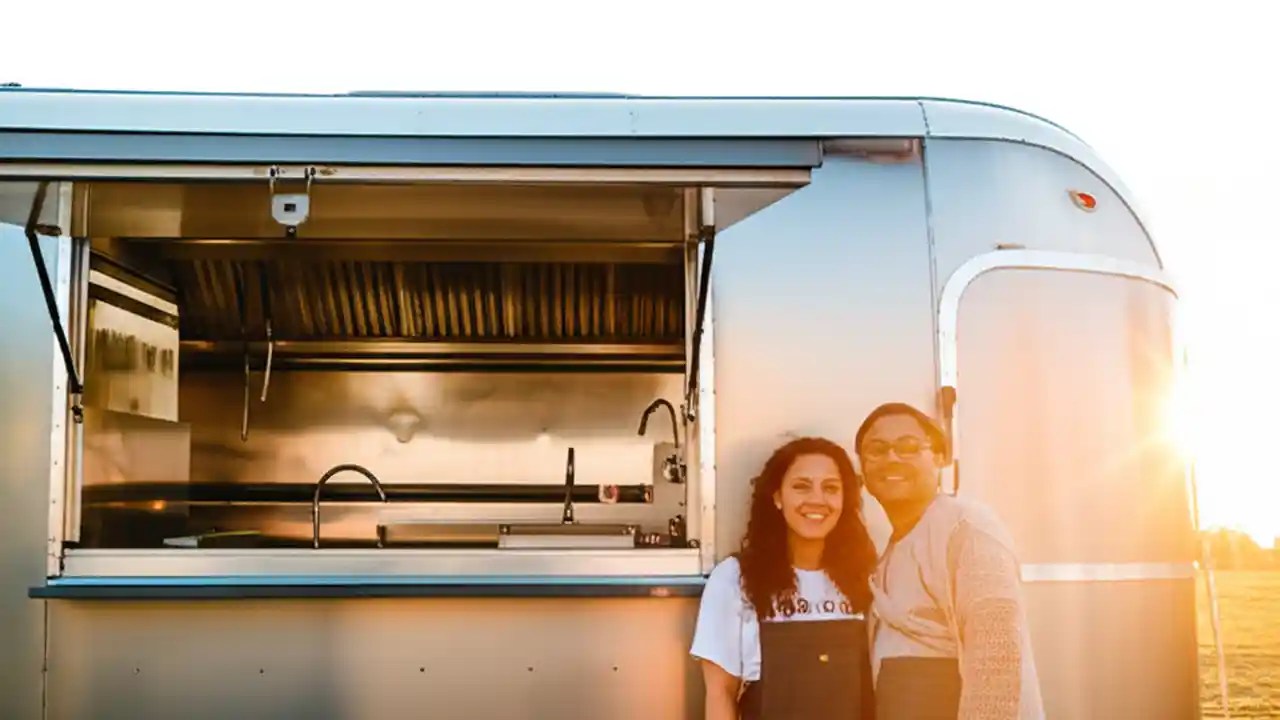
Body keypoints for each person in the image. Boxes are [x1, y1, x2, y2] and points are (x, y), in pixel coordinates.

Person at [854, 402, 1044, 720]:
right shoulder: (889, 552)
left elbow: (996, 658)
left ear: (939, 457)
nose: (892, 458)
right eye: (877, 449)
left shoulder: (967, 529)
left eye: (909, 446)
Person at [690, 437, 879, 719]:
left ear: (844, 500)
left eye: (831, 488)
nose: (817, 499)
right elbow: (720, 694)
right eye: (801, 487)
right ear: (777, 497)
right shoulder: (734, 578)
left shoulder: (868, 576)